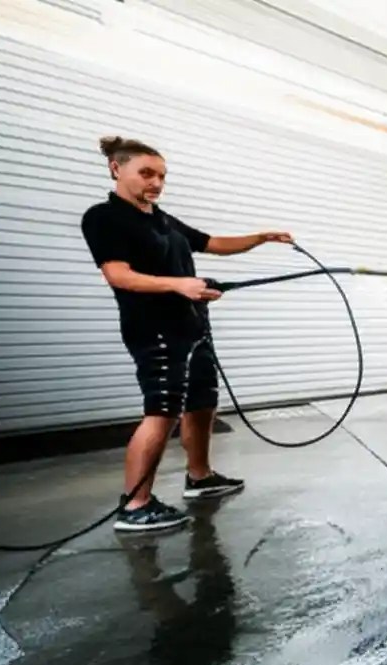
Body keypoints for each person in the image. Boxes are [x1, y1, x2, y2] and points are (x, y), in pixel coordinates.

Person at [81, 136, 294, 532]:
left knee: (201, 403)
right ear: (116, 169)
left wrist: (260, 237)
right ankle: (135, 505)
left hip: (192, 326)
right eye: (146, 173)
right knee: (161, 412)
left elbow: (212, 243)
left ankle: (199, 477)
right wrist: (180, 285)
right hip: (155, 330)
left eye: (162, 175)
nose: (156, 182)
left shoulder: (161, 219)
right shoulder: (103, 217)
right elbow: (118, 275)